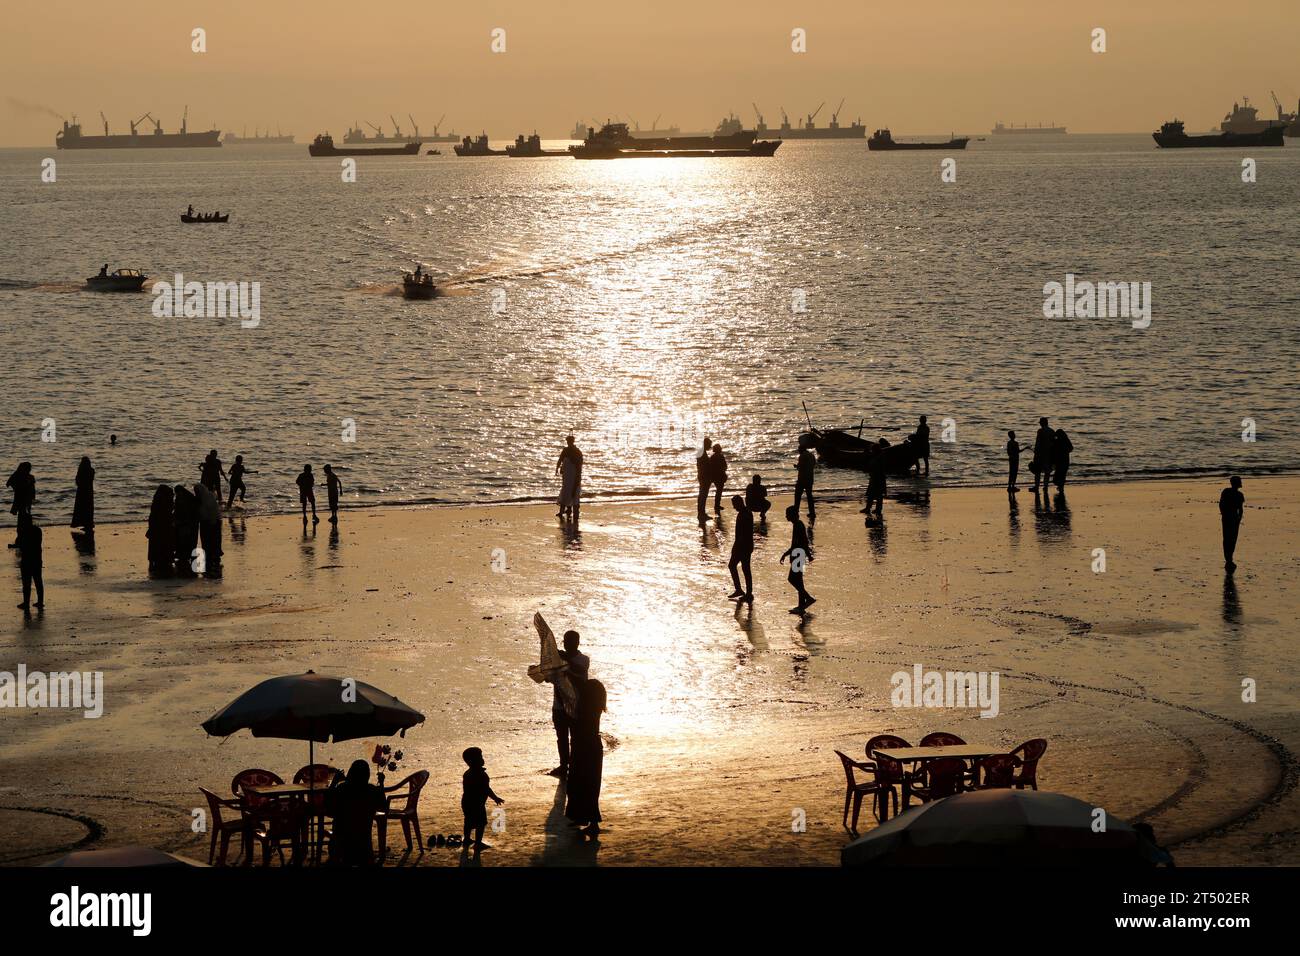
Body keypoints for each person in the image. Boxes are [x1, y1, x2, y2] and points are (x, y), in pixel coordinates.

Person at [324, 760, 386, 867]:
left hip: (342, 842)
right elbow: (383, 806)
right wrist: (381, 784)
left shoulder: (342, 789)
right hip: (363, 844)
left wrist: (334, 782)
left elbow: (328, 808)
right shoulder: (371, 791)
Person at [565, 678, 607, 835]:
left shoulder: (584, 710)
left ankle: (589, 821)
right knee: (590, 785)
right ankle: (585, 819)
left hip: (583, 748)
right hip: (592, 747)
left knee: (579, 783)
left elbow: (574, 723)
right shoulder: (595, 708)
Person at [550, 630, 590, 778]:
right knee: (561, 738)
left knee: (575, 737)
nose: (567, 644)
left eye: (570, 642)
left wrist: (564, 661)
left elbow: (580, 675)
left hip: (575, 705)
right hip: (559, 705)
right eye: (566, 642)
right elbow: (550, 678)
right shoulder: (559, 660)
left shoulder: (583, 659)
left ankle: (574, 765)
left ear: (577, 643)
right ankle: (563, 765)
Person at [460, 747, 504, 859]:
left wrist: (495, 797)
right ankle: (478, 843)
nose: (482, 759)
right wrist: (495, 798)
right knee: (481, 823)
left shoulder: (468, 773)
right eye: (479, 757)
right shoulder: (480, 774)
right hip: (477, 803)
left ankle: (467, 839)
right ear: (471, 761)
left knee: (468, 821)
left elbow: (485, 789)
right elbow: (486, 789)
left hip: (466, 802)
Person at [780, 505, 815, 613]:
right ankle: (801, 606)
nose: (786, 516)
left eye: (787, 514)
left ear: (793, 515)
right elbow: (797, 543)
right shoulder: (797, 525)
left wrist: (808, 555)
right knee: (799, 581)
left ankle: (808, 598)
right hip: (798, 554)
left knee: (792, 579)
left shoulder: (798, 525)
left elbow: (804, 542)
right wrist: (786, 554)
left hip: (799, 555)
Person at [727, 495, 754, 602]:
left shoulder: (744, 514)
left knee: (739, 567)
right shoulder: (747, 512)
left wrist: (735, 547)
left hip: (743, 546)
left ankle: (745, 592)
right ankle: (744, 591)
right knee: (744, 568)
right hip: (746, 545)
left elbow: (742, 534)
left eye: (734, 505)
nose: (734, 507)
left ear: (739, 503)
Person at [15, 514, 43, 611]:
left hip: (27, 560)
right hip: (37, 559)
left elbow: (18, 542)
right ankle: (40, 601)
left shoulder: (23, 531)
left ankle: (26, 603)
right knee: (38, 580)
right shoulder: (38, 530)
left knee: (26, 583)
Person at [194, 483, 222, 575]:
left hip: (212, 521)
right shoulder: (202, 497)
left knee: (214, 539)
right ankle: (209, 555)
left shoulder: (208, 497)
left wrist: (212, 521)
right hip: (205, 522)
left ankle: (214, 555)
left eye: (197, 491)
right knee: (206, 540)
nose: (196, 493)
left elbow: (213, 510)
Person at [172, 484, 200, 576]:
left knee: (183, 540)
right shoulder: (190, 497)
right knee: (189, 540)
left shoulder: (181, 499)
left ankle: (183, 556)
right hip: (192, 523)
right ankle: (187, 555)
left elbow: (179, 511)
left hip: (185, 523)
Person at [146, 484, 174, 574]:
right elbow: (169, 514)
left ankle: (153, 562)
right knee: (164, 544)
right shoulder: (167, 501)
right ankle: (165, 560)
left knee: (154, 545)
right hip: (164, 527)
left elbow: (152, 516)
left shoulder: (156, 502)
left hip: (155, 526)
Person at [1219, 476, 1245, 572]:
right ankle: (1229, 558)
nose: (1241, 482)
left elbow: (1221, 504)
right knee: (1231, 538)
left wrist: (1223, 513)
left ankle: (1229, 558)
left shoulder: (1228, 492)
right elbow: (1240, 509)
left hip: (1229, 517)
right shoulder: (1238, 494)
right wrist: (1238, 518)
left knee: (1228, 538)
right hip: (1232, 517)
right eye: (1239, 481)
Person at [556, 435, 583, 520]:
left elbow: (579, 463)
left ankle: (568, 510)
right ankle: (565, 510)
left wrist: (558, 467)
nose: (568, 443)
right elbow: (560, 459)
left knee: (571, 490)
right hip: (567, 475)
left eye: (569, 441)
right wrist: (557, 468)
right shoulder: (567, 450)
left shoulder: (576, 451)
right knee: (566, 490)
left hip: (573, 475)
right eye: (568, 442)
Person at [862, 439, 888, 517]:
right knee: (873, 495)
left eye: (872, 450)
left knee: (876, 495)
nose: (871, 451)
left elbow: (879, 468)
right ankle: (871, 508)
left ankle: (876, 509)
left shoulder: (878, 458)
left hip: (878, 478)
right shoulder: (877, 457)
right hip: (875, 478)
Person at [71, 456, 95, 531]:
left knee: (80, 508)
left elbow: (77, 481)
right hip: (89, 492)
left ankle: (81, 523)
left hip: (81, 492)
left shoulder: (81, 470)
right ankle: (88, 523)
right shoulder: (91, 471)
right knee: (88, 508)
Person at [1032, 418, 1055, 490]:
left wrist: (1035, 453)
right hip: (1049, 453)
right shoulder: (1052, 431)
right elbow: (1054, 443)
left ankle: (1036, 486)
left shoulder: (1040, 431)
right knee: (1047, 471)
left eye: (1040, 423)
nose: (1040, 424)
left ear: (1042, 423)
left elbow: (1038, 443)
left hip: (1040, 454)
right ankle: (1045, 486)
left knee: (1037, 471)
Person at [695, 437, 713, 525]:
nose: (710, 446)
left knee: (702, 495)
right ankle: (701, 513)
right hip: (704, 477)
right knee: (703, 495)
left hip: (702, 476)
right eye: (709, 445)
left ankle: (701, 513)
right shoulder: (702, 453)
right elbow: (705, 466)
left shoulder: (701, 452)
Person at [794, 446, 816, 520]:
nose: (798, 451)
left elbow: (801, 467)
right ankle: (812, 512)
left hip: (802, 479)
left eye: (799, 450)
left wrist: (796, 466)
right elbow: (814, 465)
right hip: (810, 478)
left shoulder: (802, 456)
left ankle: (796, 511)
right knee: (809, 496)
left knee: (797, 496)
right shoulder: (812, 455)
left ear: (801, 450)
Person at [709, 444, 728, 514]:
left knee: (719, 491)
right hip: (720, 476)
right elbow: (725, 466)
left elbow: (710, 467)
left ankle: (717, 505)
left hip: (715, 476)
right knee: (719, 491)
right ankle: (717, 505)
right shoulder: (720, 456)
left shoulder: (712, 457)